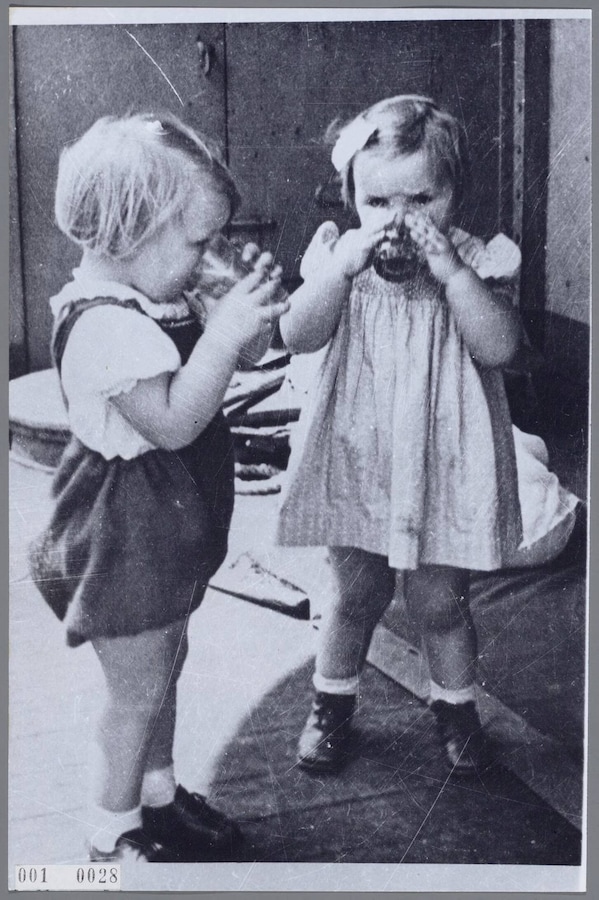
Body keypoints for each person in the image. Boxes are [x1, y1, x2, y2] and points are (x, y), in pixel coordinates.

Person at [277, 95, 580, 775]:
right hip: (358, 456)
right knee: (354, 594)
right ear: (350, 198)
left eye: (422, 198)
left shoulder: (475, 262)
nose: (400, 220)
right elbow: (296, 333)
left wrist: (451, 275)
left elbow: (501, 347)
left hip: (443, 461)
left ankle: (455, 708)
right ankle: (331, 705)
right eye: (378, 202)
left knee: (441, 603)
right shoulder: (338, 261)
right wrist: (337, 272)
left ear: (455, 194)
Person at [29, 112, 289, 862]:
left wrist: (244, 320)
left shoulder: (155, 297)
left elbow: (239, 360)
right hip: (121, 534)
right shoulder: (106, 327)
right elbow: (175, 422)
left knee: (164, 665)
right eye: (197, 243)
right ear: (128, 232)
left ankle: (159, 797)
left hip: (160, 530)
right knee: (135, 690)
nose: (206, 258)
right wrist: (219, 337)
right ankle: (112, 833)